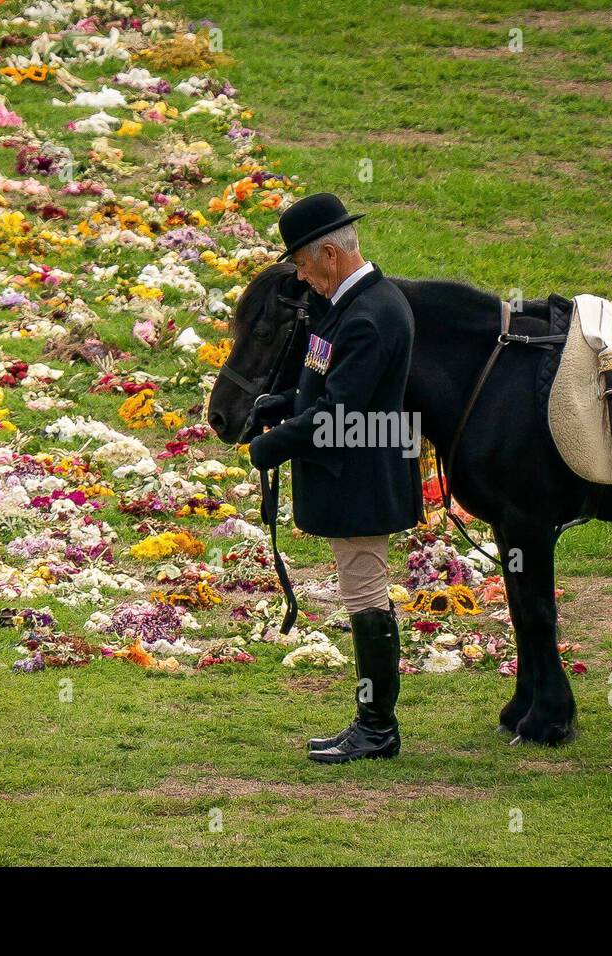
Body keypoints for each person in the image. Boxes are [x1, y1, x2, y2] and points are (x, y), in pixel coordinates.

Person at [247, 192, 423, 763]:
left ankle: (377, 727)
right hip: (352, 470)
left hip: (362, 474)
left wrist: (273, 446)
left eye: (301, 265)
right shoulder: (351, 305)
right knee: (359, 592)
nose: (302, 277)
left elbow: (339, 416)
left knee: (366, 595)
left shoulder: (372, 315)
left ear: (328, 253)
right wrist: (282, 403)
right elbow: (324, 386)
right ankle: (373, 723)